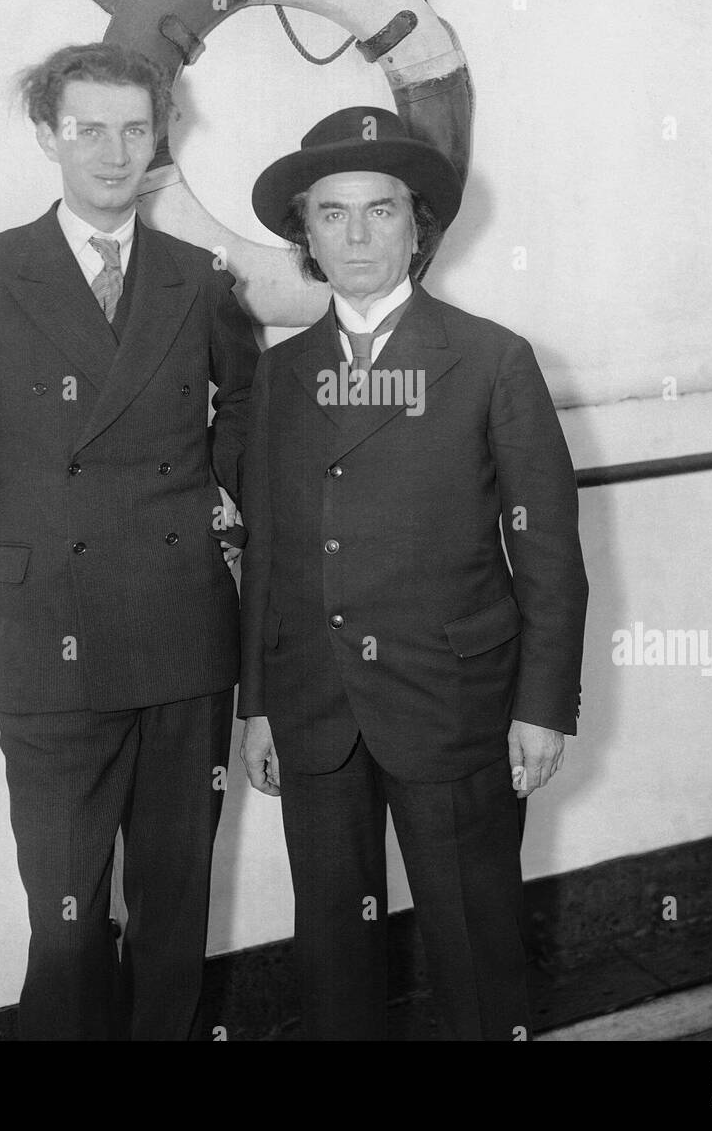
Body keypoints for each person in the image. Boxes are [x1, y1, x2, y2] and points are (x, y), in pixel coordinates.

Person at [0, 43, 260, 1040]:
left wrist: (215, 506)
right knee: (63, 911)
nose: (112, 151)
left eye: (134, 129)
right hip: (48, 631)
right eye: (88, 129)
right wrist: (37, 538)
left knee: (175, 902)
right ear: (48, 135)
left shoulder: (201, 278)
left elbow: (247, 421)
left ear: (161, 139)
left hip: (186, 631)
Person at [238, 105, 589, 1041]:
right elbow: (269, 553)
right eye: (333, 214)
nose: (357, 235)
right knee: (332, 956)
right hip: (316, 711)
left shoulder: (490, 360)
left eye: (380, 210)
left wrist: (543, 705)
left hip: (455, 706)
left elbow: (549, 554)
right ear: (305, 234)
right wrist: (259, 703)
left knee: (477, 948)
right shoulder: (279, 378)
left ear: (417, 224)